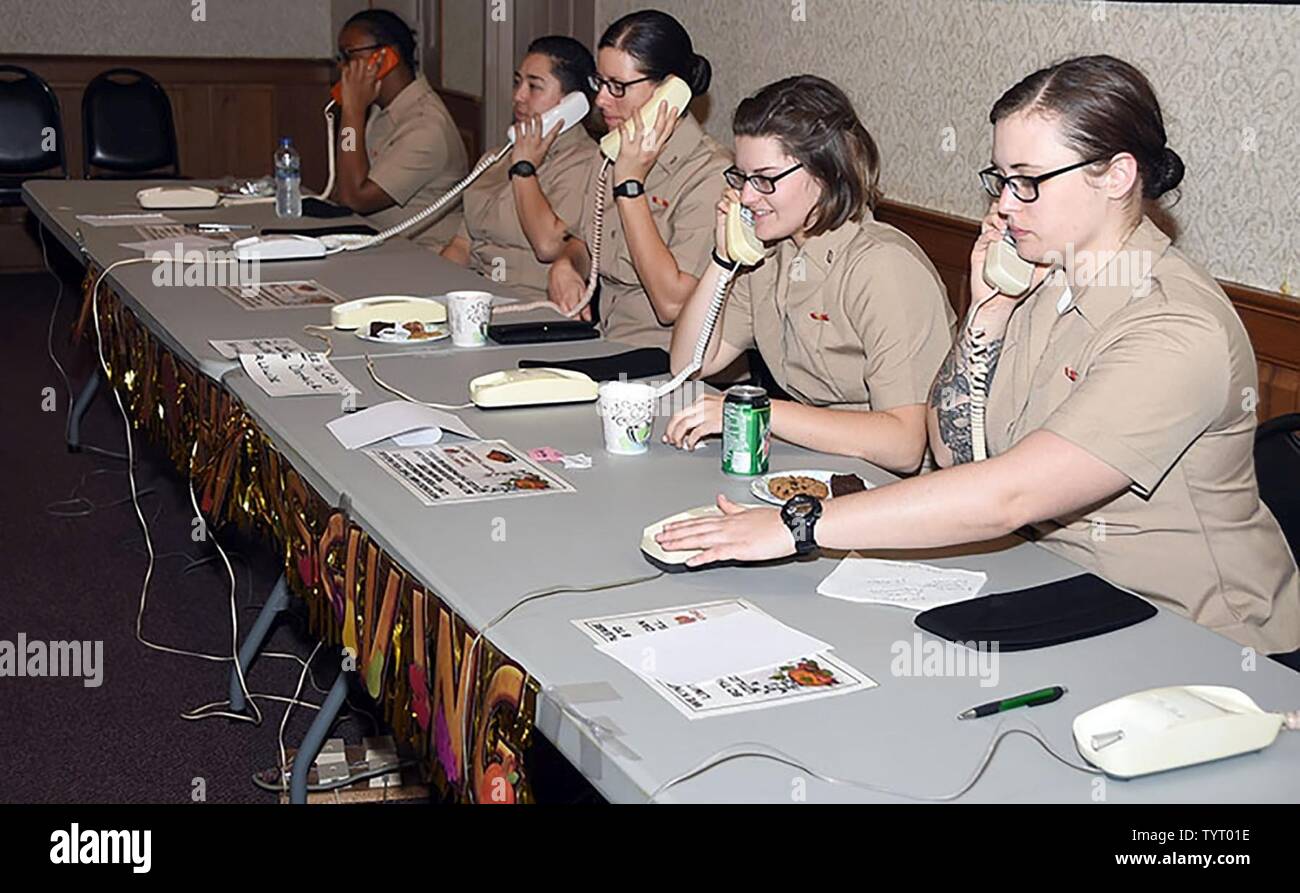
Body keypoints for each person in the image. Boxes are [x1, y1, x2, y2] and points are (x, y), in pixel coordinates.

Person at [656, 55, 1300, 661]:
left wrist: (799, 526)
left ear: (1117, 176)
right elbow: (952, 453)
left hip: (1197, 634)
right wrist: (987, 315)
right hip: (1054, 582)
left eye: (1029, 183)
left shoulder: (1174, 325)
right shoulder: (1039, 275)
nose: (1003, 205)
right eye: (1000, 180)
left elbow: (1010, 494)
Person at [662, 76, 955, 474]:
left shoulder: (884, 267)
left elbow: (903, 445)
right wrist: (722, 256)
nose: (747, 196)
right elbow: (689, 364)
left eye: (765, 179)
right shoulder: (768, 255)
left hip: (890, 485)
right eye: (741, 178)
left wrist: (758, 411)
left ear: (825, 173)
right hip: (815, 464)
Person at [514, 9, 731, 357]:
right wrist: (567, 264)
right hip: (604, 342)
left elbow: (671, 303)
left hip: (665, 360)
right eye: (601, 83)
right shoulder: (610, 153)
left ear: (671, 90)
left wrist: (631, 186)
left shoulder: (710, 175)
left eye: (618, 87)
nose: (601, 100)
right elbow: (588, 244)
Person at [439, 37, 596, 300]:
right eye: (517, 82)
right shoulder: (495, 158)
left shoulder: (587, 163)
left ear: (572, 103)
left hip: (529, 306)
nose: (518, 96)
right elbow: (462, 245)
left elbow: (548, 245)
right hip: (474, 298)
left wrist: (525, 169)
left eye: (534, 86)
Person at [331, 9, 467, 249]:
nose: (343, 68)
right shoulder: (379, 107)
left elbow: (355, 198)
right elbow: (342, 188)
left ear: (385, 58)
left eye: (349, 55)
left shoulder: (426, 127)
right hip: (372, 242)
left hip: (421, 256)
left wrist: (352, 113)